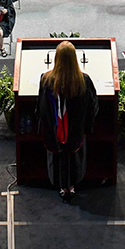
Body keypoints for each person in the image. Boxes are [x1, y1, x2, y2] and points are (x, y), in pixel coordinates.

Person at [36, 41, 99, 203]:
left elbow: (41, 107)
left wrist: (44, 125)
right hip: (75, 129)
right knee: (73, 154)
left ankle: (60, 185)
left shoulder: (46, 79)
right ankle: (71, 185)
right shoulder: (83, 80)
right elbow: (93, 106)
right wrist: (87, 125)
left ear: (56, 58)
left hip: (55, 129)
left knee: (58, 155)